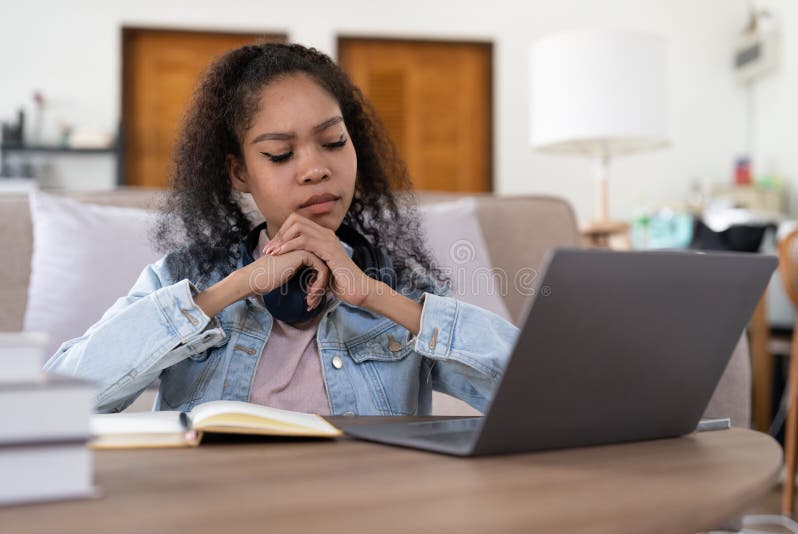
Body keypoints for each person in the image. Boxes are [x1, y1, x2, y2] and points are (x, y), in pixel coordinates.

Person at [44, 42, 518, 415]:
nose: (315, 169)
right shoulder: (183, 278)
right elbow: (55, 401)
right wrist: (231, 290)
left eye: (333, 141)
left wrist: (374, 296)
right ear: (239, 172)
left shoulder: (400, 288)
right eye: (280, 154)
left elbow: (538, 393)